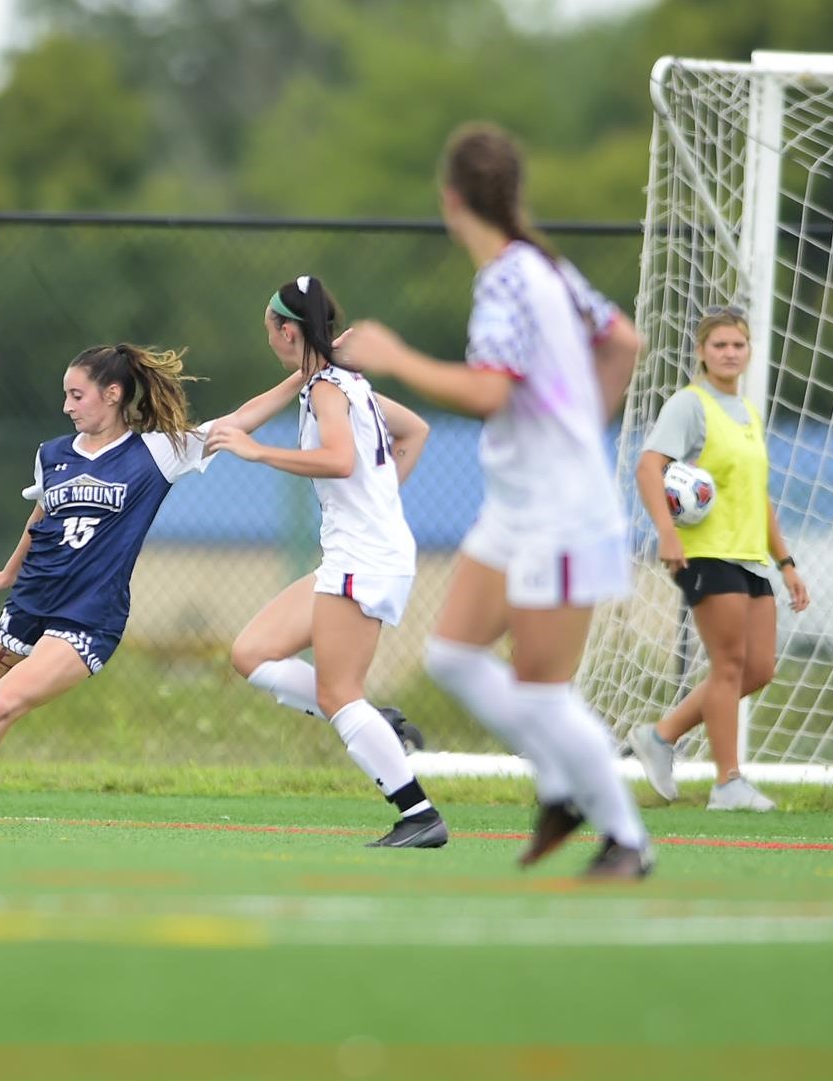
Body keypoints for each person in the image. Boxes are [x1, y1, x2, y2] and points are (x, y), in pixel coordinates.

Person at [340, 121, 653, 879]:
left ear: (451, 200)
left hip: (559, 510)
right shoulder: (545, 267)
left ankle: (625, 837)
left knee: (543, 696)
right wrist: (577, 424)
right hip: (520, 504)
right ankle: (560, 790)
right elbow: (623, 342)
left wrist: (396, 357)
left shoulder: (509, 279)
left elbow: (489, 393)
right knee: (453, 656)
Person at [0, 343, 302, 838]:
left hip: (88, 616)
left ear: (112, 394)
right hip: (31, 602)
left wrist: (305, 373)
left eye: (76, 395)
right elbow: (42, 514)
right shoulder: (52, 455)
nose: (67, 406)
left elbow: (238, 420)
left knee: (2, 706)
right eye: (66, 395)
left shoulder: (157, 452)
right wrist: (7, 574)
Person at [207, 275, 446, 848]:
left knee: (339, 694)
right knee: (252, 653)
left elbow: (339, 460)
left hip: (364, 557)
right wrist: (377, 503)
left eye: (270, 328)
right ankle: (371, 719)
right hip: (357, 552)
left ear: (287, 331)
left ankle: (419, 815)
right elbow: (416, 430)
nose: (268, 337)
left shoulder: (327, 389)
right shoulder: (339, 381)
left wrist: (258, 452)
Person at [626, 307, 812, 811]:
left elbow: (757, 495)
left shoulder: (748, 412)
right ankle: (728, 783)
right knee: (728, 665)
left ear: (748, 350)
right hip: (706, 554)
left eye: (738, 345)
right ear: (701, 352)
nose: (730, 353)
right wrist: (667, 533)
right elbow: (648, 468)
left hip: (751, 557)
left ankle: (661, 736)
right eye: (720, 345)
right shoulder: (690, 405)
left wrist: (786, 562)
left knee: (759, 669)